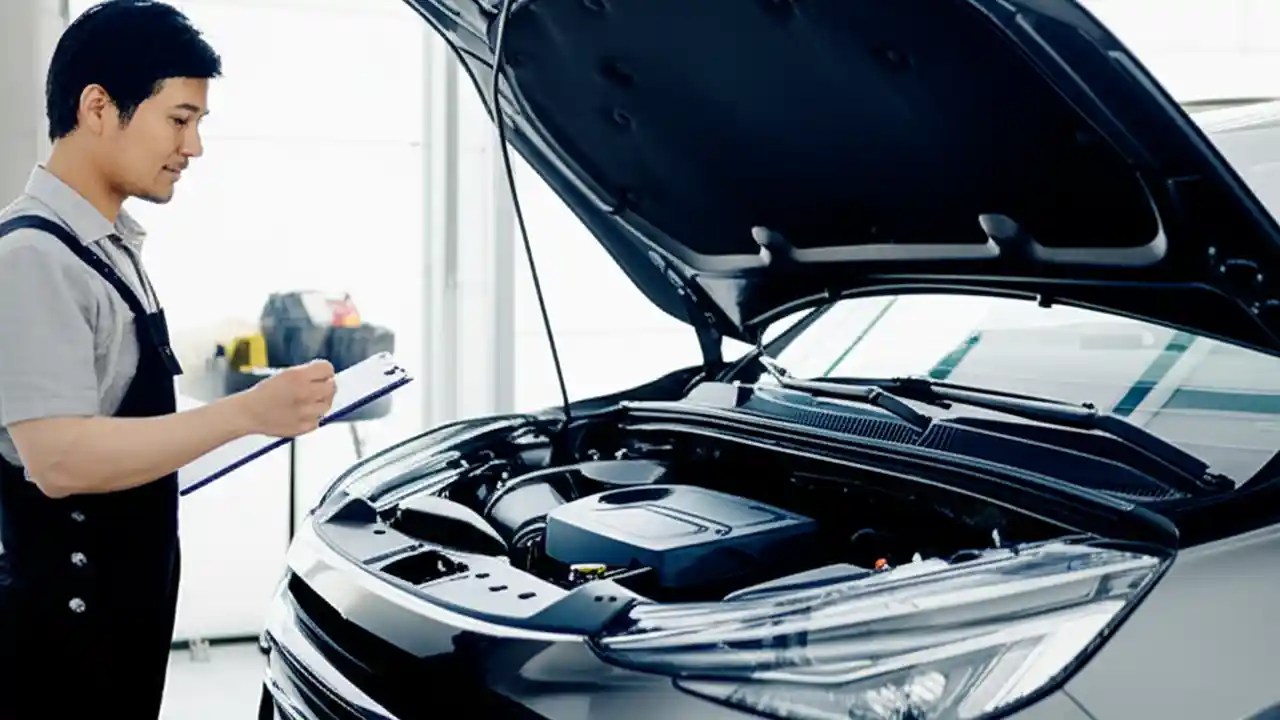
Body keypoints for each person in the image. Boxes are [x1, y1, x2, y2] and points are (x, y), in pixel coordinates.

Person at [0, 1, 337, 716]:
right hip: (58, 646)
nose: (194, 147)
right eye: (180, 120)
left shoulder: (106, 246)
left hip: (115, 627)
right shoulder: (32, 257)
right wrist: (248, 412)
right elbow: (58, 460)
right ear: (98, 107)